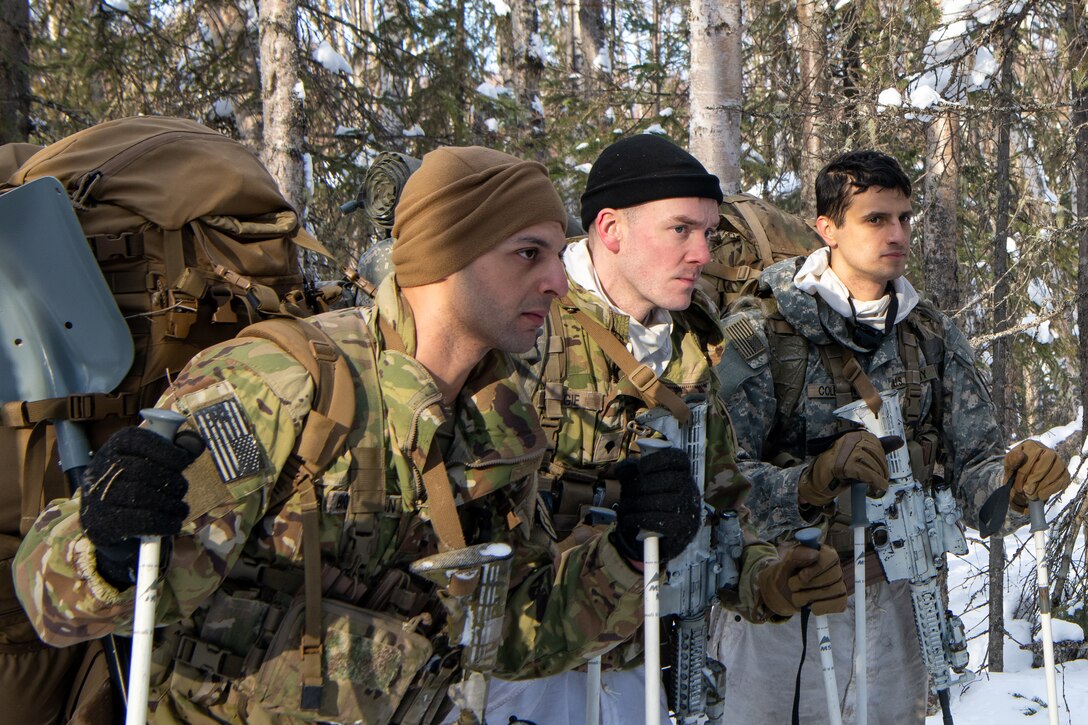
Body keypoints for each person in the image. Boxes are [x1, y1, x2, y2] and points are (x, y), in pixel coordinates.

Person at [12, 146, 682, 724]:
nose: (559, 282)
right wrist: (107, 545)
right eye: (529, 254)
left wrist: (624, 552)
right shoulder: (285, 384)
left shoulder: (495, 425)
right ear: (447, 258)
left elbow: (505, 636)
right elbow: (53, 598)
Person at [448, 134, 848, 725]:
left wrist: (771, 577)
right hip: (527, 673)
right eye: (681, 230)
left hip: (642, 660)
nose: (701, 253)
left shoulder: (691, 342)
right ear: (610, 230)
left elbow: (717, 506)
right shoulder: (528, 328)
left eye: (709, 234)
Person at [710, 149, 1072, 723]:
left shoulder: (929, 334)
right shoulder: (762, 330)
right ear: (827, 228)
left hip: (898, 595)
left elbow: (972, 466)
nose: (896, 233)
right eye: (875, 219)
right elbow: (721, 487)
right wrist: (811, 481)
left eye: (904, 217)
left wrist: (1016, 482)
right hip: (791, 596)